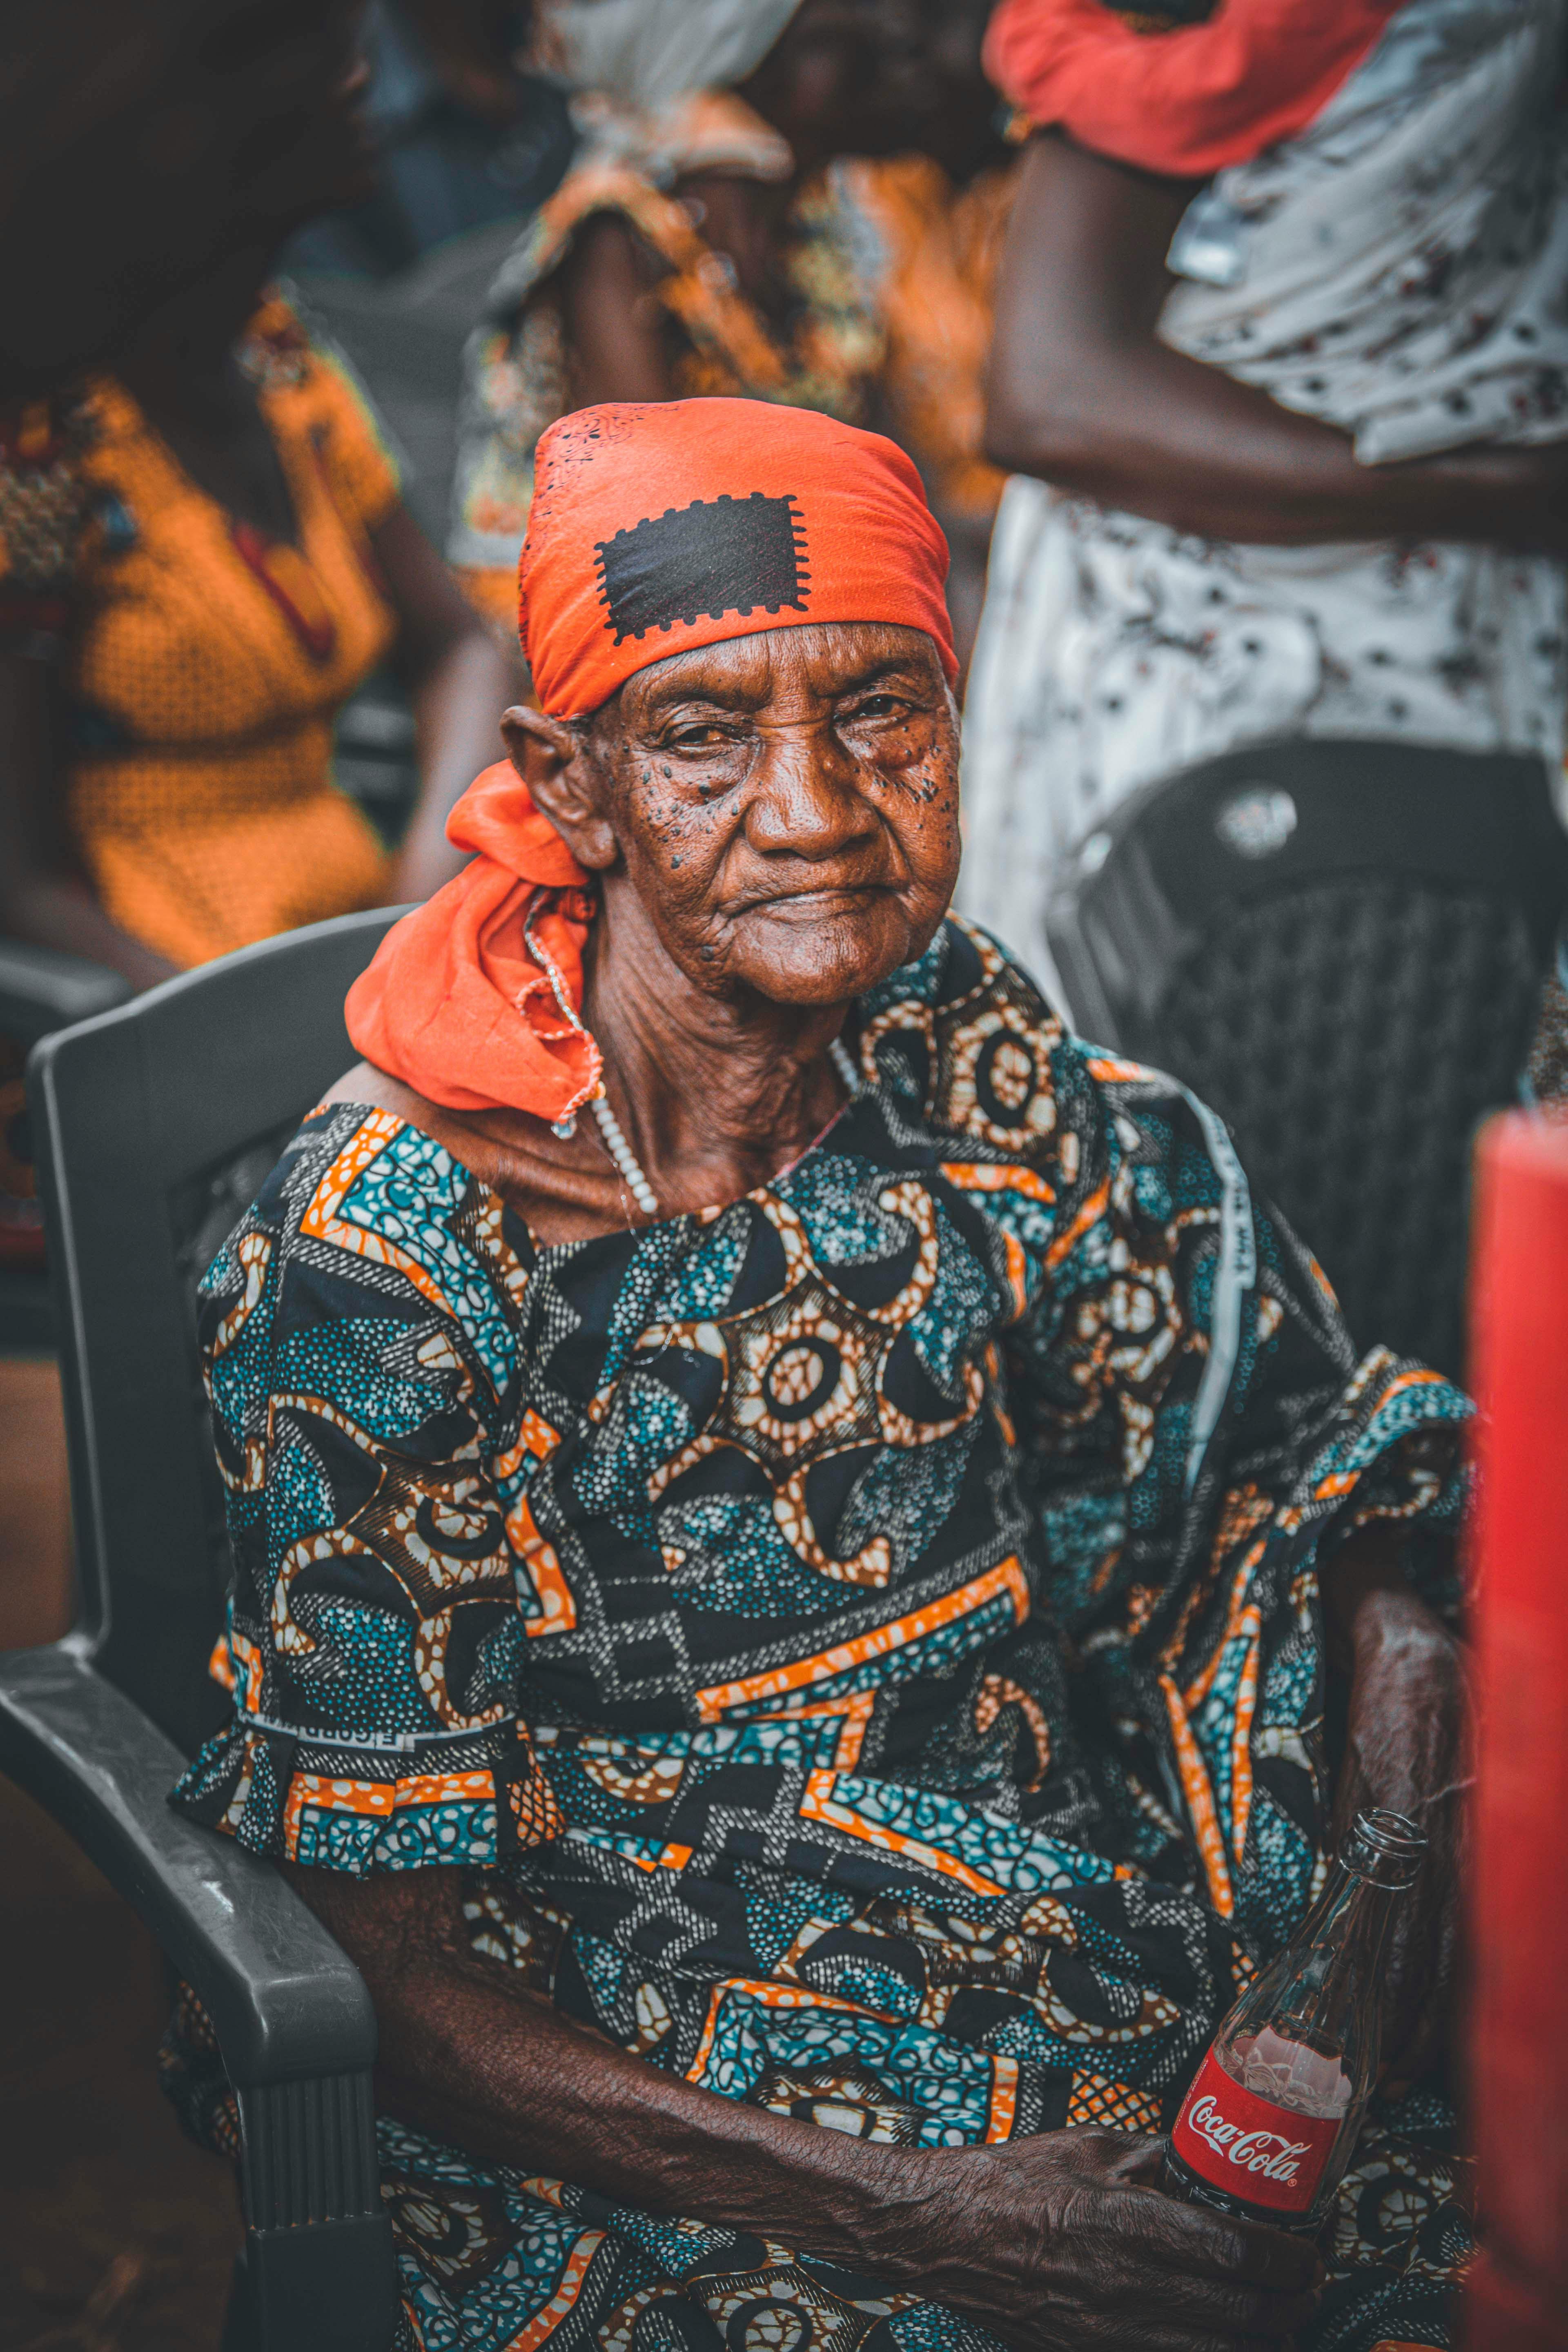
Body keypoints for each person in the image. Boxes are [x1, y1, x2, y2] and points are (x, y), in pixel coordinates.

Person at [167, 396, 1476, 2351]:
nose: (813, 806)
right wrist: (936, 2214)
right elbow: (389, 1977)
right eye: (701, 735)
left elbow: (1282, 1432)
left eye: (882, 710)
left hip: (1048, 1908)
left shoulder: (937, 1023)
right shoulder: (393, 1247)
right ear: (571, 785)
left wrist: (1378, 1817)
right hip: (634, 2067)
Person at [957, 0, 1568, 997]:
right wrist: (1493, 493)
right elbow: (1053, 396)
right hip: (1218, 664)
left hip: (1458, 643)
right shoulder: (1234, 27)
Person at [0, 0, 516, 991]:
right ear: (174, 123)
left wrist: (417, 905)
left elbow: (457, 643)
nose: (365, 81)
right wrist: (243, 1046)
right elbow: (15, 882)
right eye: (316, 55)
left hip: (366, 934)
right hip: (160, 993)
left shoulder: (277, 350)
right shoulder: (42, 439)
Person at [448, 0, 1013, 672]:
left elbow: (900, 486)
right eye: (831, 40)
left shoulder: (822, 229)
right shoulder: (621, 233)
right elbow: (665, 529)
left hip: (792, 606)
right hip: (638, 645)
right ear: (745, 68)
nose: (894, 34)